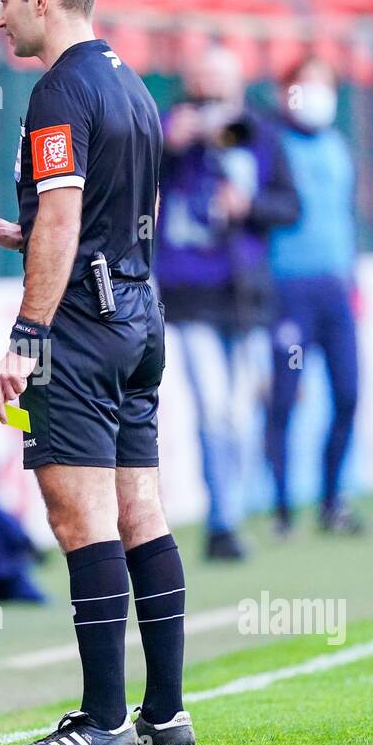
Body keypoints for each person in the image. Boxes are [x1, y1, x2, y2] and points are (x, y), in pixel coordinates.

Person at [0, 0, 192, 745]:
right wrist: (26, 236)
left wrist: (26, 340)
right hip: (139, 314)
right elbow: (116, 213)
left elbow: (64, 219)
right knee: (140, 511)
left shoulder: (58, 91)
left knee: (79, 516)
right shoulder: (132, 82)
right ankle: (165, 712)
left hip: (81, 333)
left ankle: (103, 720)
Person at [156, 45, 299, 561]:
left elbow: (289, 204)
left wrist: (250, 205)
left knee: (240, 415)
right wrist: (176, 140)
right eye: (204, 83)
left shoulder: (261, 132)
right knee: (214, 411)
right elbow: (146, 174)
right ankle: (222, 521)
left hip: (246, 295)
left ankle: (231, 510)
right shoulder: (170, 130)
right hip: (191, 293)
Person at [266, 56, 365, 537]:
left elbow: (344, 219)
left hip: (336, 289)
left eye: (325, 85)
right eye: (307, 86)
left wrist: (354, 280)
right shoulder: (273, 142)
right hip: (287, 289)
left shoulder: (337, 146)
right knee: (284, 399)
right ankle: (283, 508)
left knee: (347, 394)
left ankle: (332, 500)